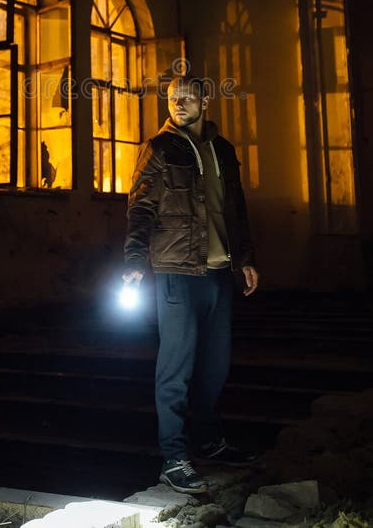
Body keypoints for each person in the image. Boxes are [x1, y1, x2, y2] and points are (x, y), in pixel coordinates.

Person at [123, 75, 259, 494]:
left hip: (218, 270)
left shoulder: (223, 150)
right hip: (176, 270)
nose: (179, 103)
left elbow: (235, 208)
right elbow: (140, 206)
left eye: (187, 97)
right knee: (176, 367)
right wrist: (134, 260)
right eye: (172, 98)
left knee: (216, 365)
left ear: (205, 102)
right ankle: (173, 457)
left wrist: (246, 259)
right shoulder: (159, 147)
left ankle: (208, 441)